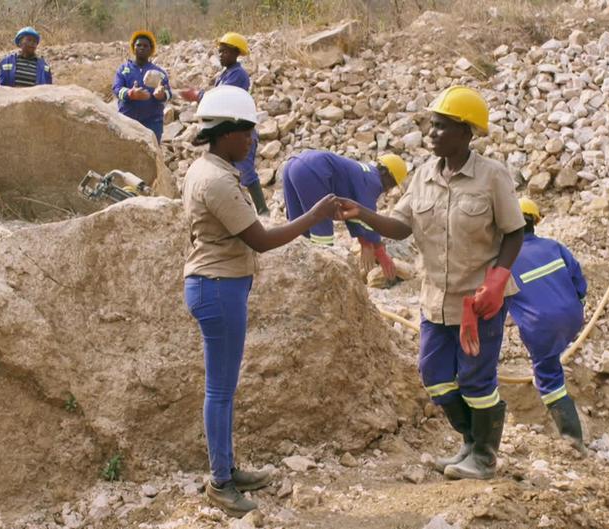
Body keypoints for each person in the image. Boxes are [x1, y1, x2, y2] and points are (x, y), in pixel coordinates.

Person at [336, 86, 524, 480]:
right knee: (434, 375)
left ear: (466, 133)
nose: (432, 133)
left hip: (480, 300)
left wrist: (497, 280)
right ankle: (470, 443)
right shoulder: (423, 176)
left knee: (476, 379)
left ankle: (485, 457)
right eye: (431, 125)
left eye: (441, 126)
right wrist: (365, 214)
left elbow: (513, 233)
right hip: (435, 299)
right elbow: (402, 226)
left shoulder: (492, 177)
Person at [183, 85, 337, 516]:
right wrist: (313, 216)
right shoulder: (216, 180)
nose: (251, 141)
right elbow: (262, 239)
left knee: (224, 389)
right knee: (220, 390)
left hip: (216, 284)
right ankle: (219, 482)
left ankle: (228, 468)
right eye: (247, 132)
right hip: (218, 286)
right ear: (226, 132)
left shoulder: (209, 170)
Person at [508, 197, 587, 454]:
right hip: (574, 317)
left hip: (540, 326)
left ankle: (572, 438)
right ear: (535, 222)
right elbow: (580, 285)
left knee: (548, 376)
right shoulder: (554, 246)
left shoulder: (503, 260)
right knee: (552, 352)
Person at [281, 149, 407, 280]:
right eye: (391, 184)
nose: (388, 189)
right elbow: (369, 216)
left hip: (293, 164)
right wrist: (378, 250)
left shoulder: (362, 171)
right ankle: (319, 280)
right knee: (322, 237)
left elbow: (356, 211)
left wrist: (365, 241)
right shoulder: (374, 181)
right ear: (385, 172)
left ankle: (293, 269)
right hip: (312, 170)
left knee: (300, 226)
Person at [179, 32, 267, 214]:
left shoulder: (239, 75)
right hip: (229, 131)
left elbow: (222, 98)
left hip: (240, 131)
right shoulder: (226, 74)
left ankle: (262, 210)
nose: (221, 55)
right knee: (230, 172)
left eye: (225, 51)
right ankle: (238, 209)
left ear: (236, 53)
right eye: (219, 51)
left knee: (246, 172)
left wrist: (198, 96)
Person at [112, 31, 171, 142]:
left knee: (152, 155)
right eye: (138, 45)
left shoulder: (159, 73)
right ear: (133, 48)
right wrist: (130, 93)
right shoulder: (123, 70)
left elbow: (169, 93)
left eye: (145, 46)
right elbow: (116, 89)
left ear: (151, 49)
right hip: (127, 121)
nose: (142, 48)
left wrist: (162, 94)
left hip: (153, 123)